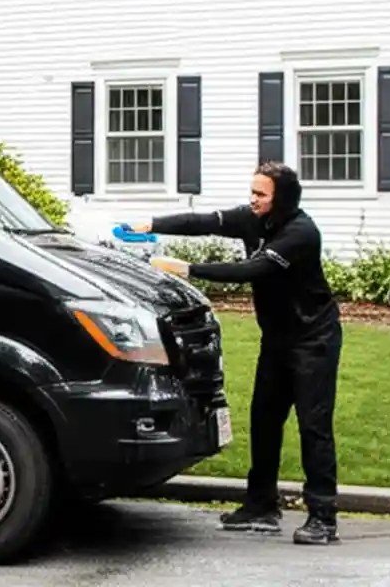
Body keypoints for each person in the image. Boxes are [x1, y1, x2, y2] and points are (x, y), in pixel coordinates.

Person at [128, 161, 342, 546]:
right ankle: (261, 505)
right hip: (276, 339)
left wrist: (187, 268)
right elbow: (204, 221)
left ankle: (323, 517)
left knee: (314, 426)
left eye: (261, 194)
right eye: (252, 192)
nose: (253, 200)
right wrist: (152, 224)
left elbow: (252, 269)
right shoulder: (252, 219)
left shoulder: (301, 233)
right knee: (264, 419)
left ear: (282, 199)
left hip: (314, 340)